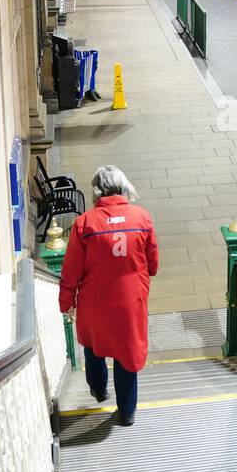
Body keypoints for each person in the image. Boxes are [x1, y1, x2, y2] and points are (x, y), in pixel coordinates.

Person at [58, 165, 159, 426]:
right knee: (126, 355)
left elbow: (70, 271)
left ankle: (98, 388)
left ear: (96, 191)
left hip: (95, 303)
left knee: (94, 346)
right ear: (124, 186)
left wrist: (66, 303)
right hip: (129, 303)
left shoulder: (84, 224)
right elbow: (153, 264)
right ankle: (127, 412)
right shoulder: (142, 218)